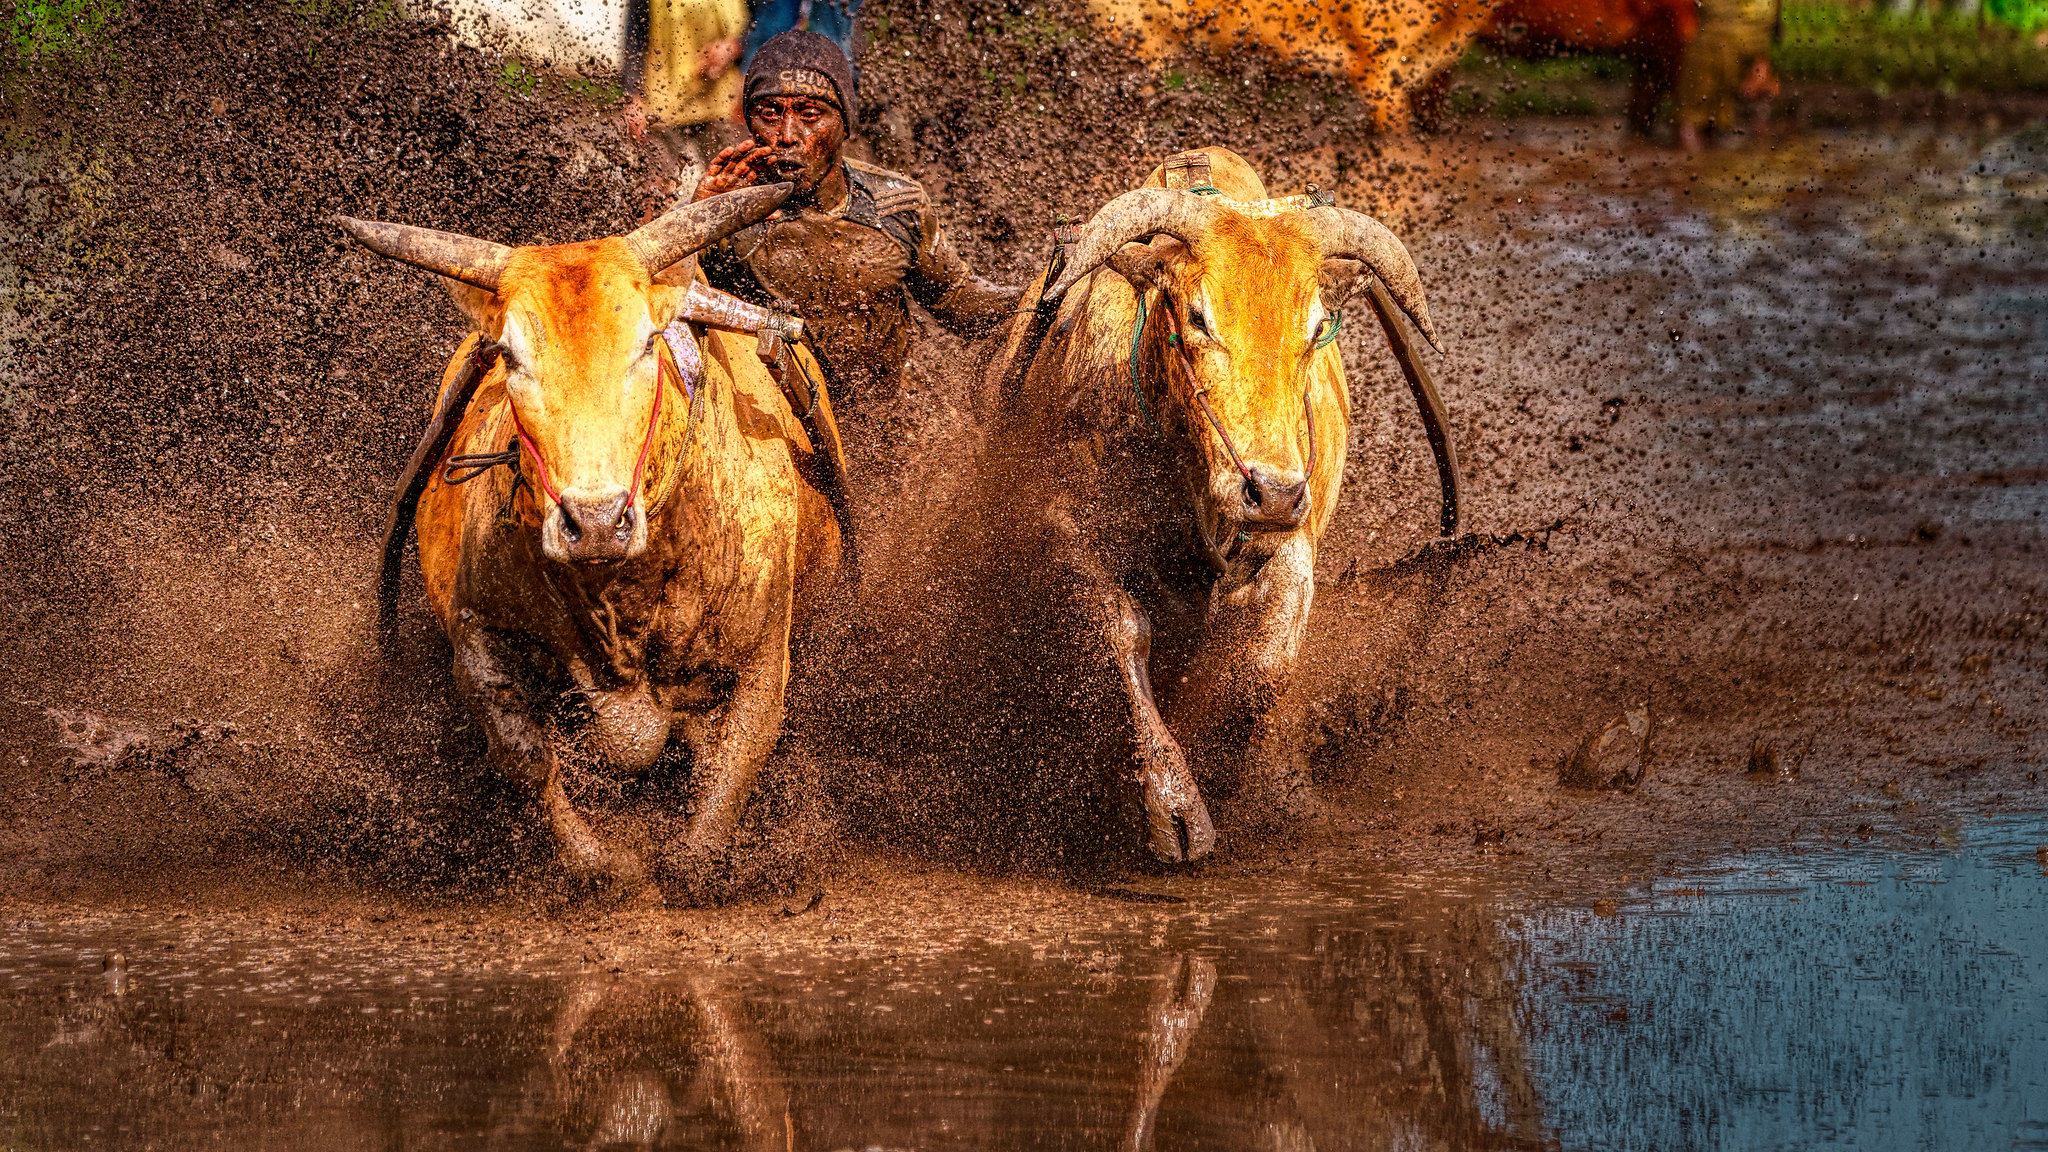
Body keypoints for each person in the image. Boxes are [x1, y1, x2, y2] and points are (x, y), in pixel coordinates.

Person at [687, 31, 1021, 417]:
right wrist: (700, 219)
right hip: (760, 432)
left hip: (881, 439)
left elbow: (960, 303)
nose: (787, 136)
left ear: (845, 122)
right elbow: (658, 305)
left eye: (810, 115)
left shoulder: (896, 207)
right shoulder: (724, 209)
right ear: (750, 123)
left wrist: (1050, 289)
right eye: (770, 114)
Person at [623, 0, 752, 194]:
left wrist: (734, 48)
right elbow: (635, 36)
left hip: (721, 99)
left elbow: (764, 21)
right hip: (663, 98)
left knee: (733, 184)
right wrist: (633, 97)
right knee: (653, 190)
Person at [1675, 0, 1782, 150]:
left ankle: (1694, 165)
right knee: (1705, 123)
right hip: (1734, 46)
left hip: (1717, 47)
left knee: (1694, 122)